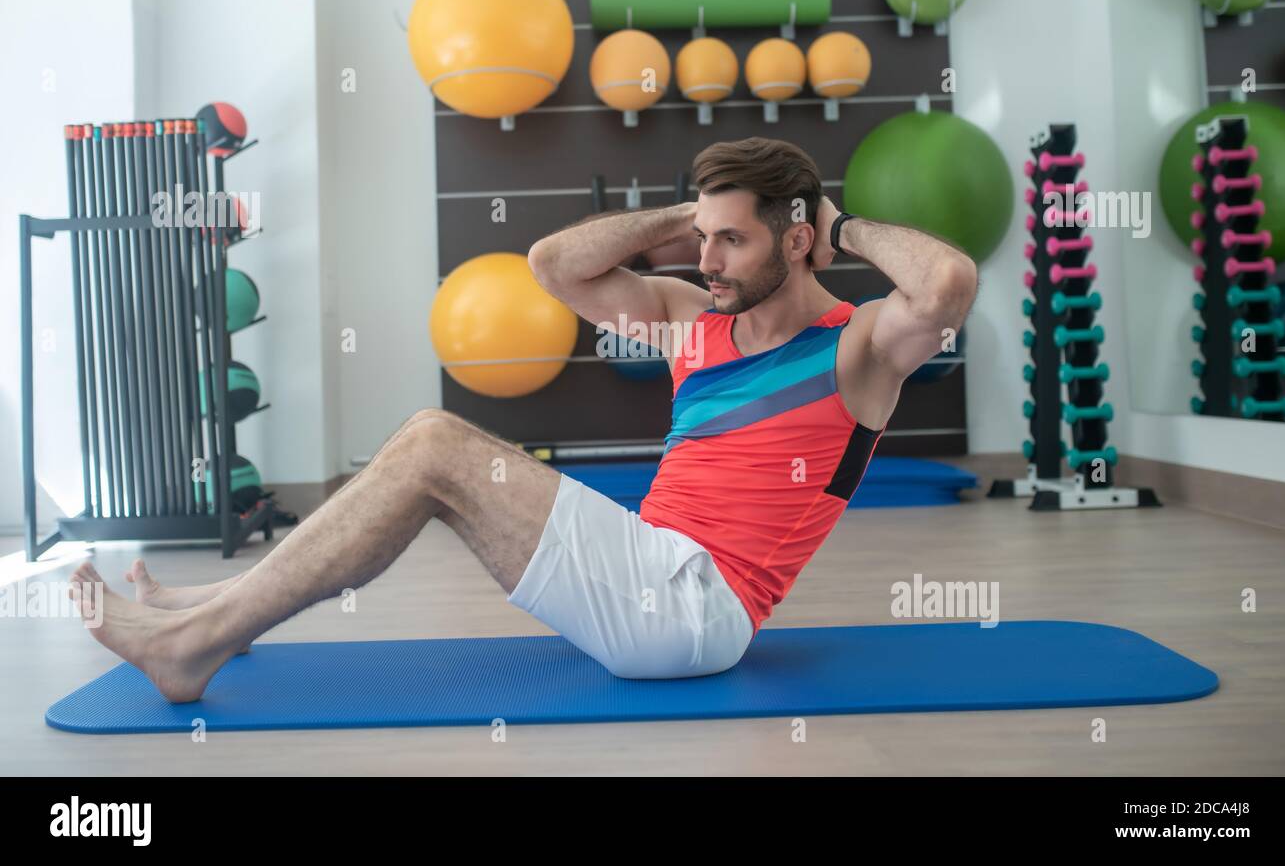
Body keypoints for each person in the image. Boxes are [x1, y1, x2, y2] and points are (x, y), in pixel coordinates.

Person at [70, 136, 978, 701]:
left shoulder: (858, 347)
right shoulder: (686, 321)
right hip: (649, 571)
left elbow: (947, 285)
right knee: (418, 459)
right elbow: (551, 264)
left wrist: (842, 221)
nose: (707, 259)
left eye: (731, 240)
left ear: (796, 239)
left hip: (698, 606)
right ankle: (214, 608)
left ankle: (190, 646)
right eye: (702, 238)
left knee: (433, 442)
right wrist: (687, 211)